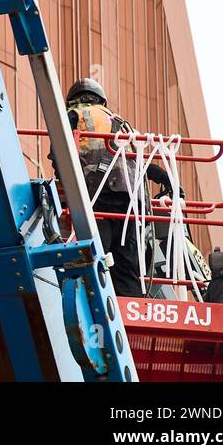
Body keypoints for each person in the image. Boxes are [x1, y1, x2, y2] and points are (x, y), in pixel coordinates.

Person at [54, 77, 181, 297]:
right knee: (126, 260)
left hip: (96, 194)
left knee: (95, 253)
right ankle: (129, 309)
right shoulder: (121, 123)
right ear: (102, 101)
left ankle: (90, 298)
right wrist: (166, 178)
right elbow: (139, 159)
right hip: (129, 199)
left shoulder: (74, 116)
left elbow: (59, 152)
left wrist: (65, 182)